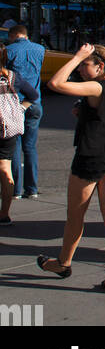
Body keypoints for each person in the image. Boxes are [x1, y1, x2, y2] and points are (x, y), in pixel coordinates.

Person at [37, 44, 105, 292]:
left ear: (99, 66)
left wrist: (76, 55)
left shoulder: (96, 86)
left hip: (91, 156)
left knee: (75, 216)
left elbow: (55, 84)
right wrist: (90, 113)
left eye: (84, 64)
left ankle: (63, 263)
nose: (80, 68)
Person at [4, 24, 46, 200]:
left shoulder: (9, 50)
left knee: (14, 146)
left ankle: (16, 190)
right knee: (30, 147)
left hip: (15, 102)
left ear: (14, 35)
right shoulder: (40, 49)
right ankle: (32, 188)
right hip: (34, 101)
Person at [0, 49, 38, 226]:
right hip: (8, 128)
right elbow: (33, 95)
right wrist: (21, 109)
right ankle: (4, 214)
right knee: (5, 169)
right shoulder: (13, 76)